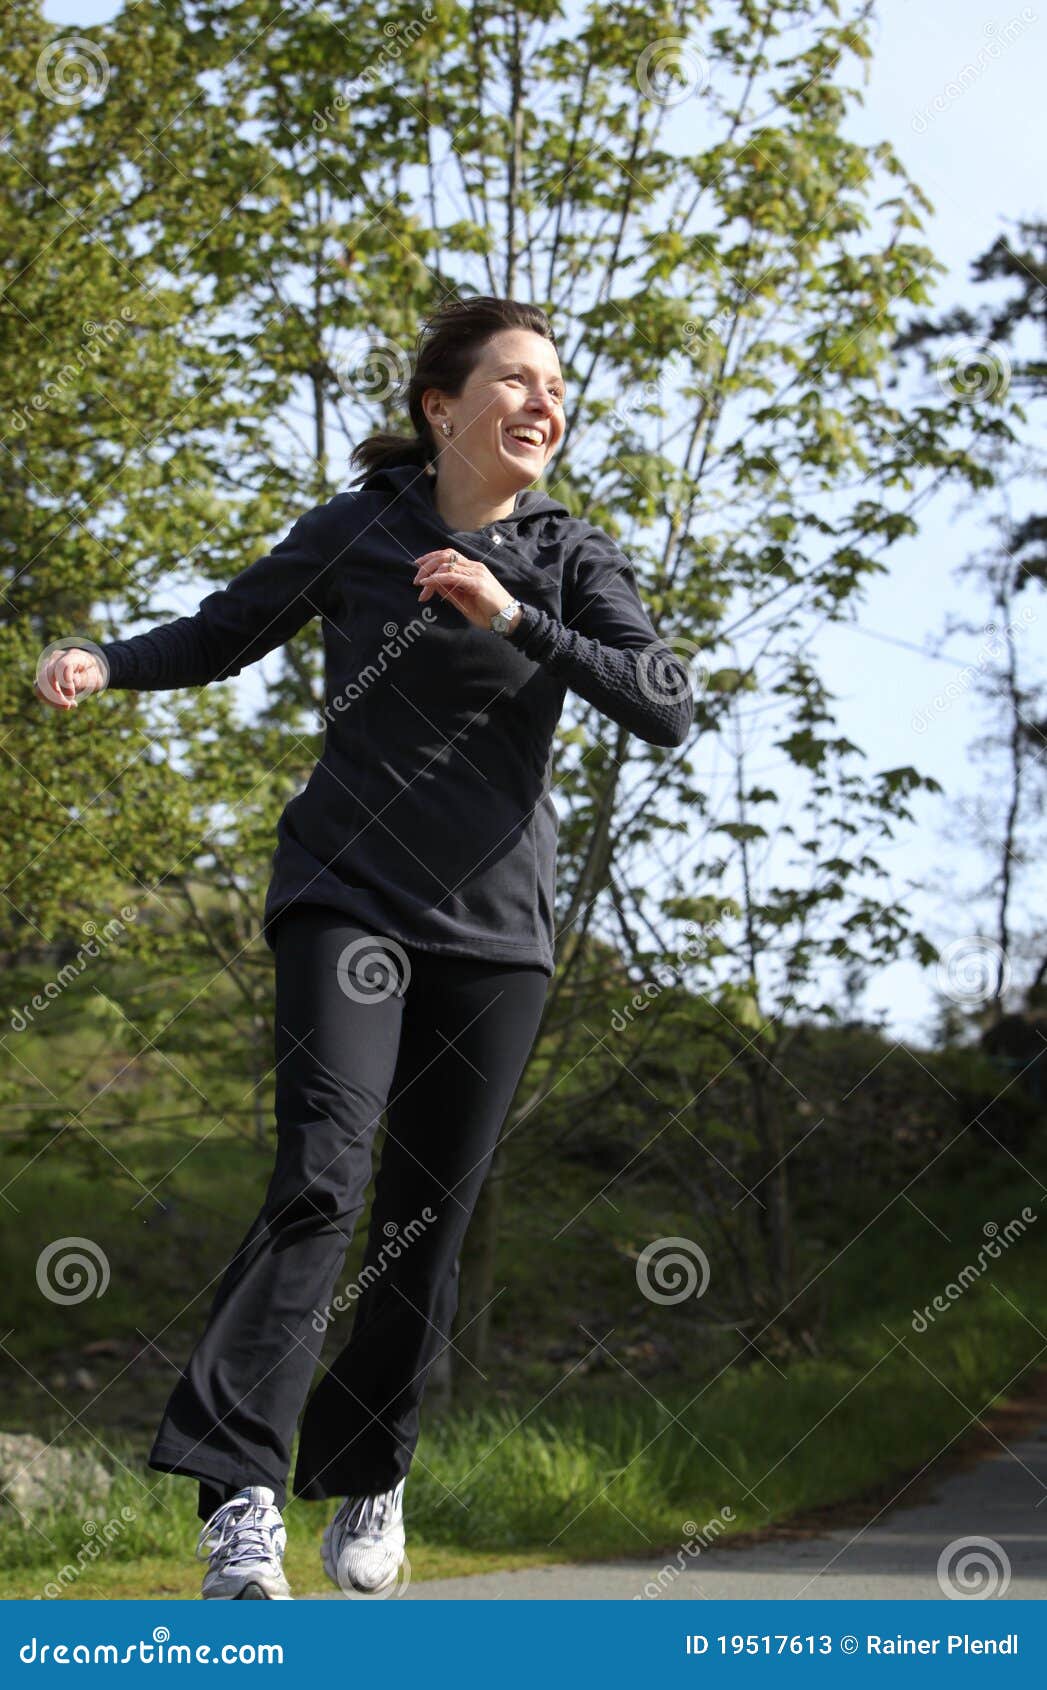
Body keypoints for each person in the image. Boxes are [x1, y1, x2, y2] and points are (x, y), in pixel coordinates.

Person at [35, 295, 693, 1599]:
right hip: (348, 897)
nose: (542, 401)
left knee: (426, 1222)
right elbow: (225, 632)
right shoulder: (363, 531)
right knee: (322, 1181)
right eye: (515, 378)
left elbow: (665, 703)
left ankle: (370, 1467)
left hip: (496, 936)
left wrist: (515, 617)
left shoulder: (568, 553)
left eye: (556, 383)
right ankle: (240, 1497)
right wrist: (102, 661)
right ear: (443, 408)